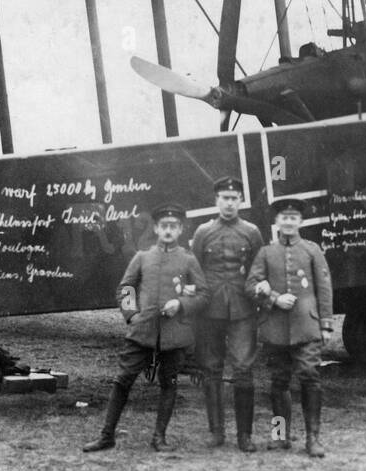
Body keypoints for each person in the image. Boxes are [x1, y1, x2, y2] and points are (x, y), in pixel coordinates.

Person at [83, 201, 208, 453]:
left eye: (173, 226)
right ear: (157, 229)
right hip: (142, 331)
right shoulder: (142, 257)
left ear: (181, 229)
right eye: (164, 226)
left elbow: (204, 294)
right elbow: (126, 288)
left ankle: (159, 437)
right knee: (122, 380)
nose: (169, 230)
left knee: (169, 383)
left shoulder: (188, 260)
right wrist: (131, 315)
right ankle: (107, 436)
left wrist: (181, 304)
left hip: (175, 333)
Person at [246, 197, 333, 458]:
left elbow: (324, 289)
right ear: (277, 221)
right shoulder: (265, 252)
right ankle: (280, 435)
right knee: (278, 381)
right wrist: (274, 297)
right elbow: (250, 286)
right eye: (284, 218)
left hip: (307, 325)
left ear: (300, 221)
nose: (288, 222)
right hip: (275, 327)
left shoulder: (312, 250)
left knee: (309, 376)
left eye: (293, 218)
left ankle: (312, 439)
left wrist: (326, 325)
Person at [189, 176, 264, 451]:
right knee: (212, 369)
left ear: (241, 200)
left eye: (234, 198)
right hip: (209, 310)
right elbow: (194, 268)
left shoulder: (252, 232)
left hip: (243, 309)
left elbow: (258, 268)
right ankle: (216, 432)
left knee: (243, 369)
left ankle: (244, 435)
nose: (229, 203)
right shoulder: (203, 232)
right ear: (216, 200)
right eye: (224, 198)